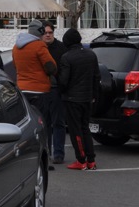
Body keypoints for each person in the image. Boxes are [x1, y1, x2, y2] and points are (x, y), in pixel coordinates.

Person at [12, 19, 57, 164]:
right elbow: (51, 67)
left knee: (25, 125)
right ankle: (45, 156)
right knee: (43, 124)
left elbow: (15, 66)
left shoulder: (16, 47)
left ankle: (24, 157)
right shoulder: (39, 46)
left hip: (22, 90)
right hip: (39, 91)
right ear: (40, 32)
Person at [57, 28, 100, 170]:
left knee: (76, 130)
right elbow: (96, 77)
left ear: (67, 42)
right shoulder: (91, 55)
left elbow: (63, 81)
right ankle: (91, 160)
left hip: (72, 98)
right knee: (85, 128)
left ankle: (81, 160)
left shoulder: (67, 57)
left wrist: (60, 91)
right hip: (88, 97)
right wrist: (94, 95)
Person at [41, 22, 68, 164]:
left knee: (58, 122)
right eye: (45, 32)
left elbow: (65, 70)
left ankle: (58, 153)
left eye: (50, 32)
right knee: (45, 123)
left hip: (57, 89)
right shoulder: (38, 48)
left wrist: (61, 84)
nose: (47, 34)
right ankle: (46, 152)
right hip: (42, 90)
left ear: (53, 33)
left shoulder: (61, 48)